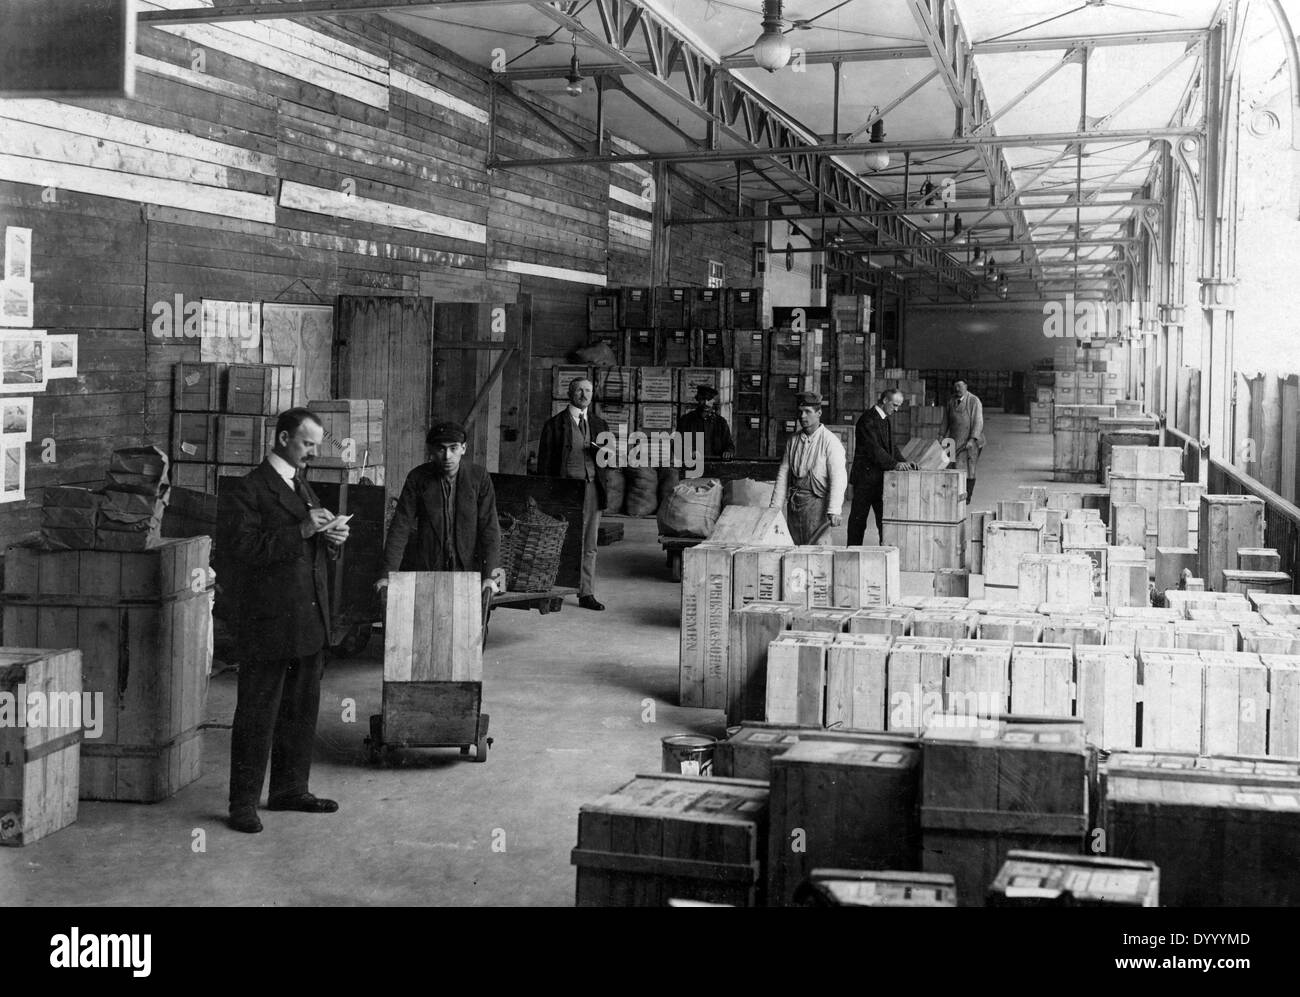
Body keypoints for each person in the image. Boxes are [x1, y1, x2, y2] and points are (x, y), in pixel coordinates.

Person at [216, 407, 350, 835]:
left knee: (300, 711)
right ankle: (242, 804)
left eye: (315, 444)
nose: (313, 451)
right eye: (308, 443)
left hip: (307, 620)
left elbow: (305, 545)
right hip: (268, 623)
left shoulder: (299, 483)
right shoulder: (248, 489)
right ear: (282, 438)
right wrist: (304, 532)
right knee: (258, 713)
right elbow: (239, 552)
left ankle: (290, 789)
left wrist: (331, 538)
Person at [375, 421, 506, 596]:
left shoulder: (479, 477)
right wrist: (387, 575)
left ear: (464, 448)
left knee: (472, 622)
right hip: (429, 568)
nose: (447, 456)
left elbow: (490, 529)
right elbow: (400, 527)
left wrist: (491, 577)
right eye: (441, 449)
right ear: (431, 451)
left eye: (454, 448)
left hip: (469, 571)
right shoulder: (417, 478)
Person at [536, 377, 609, 610]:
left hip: (592, 489)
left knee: (590, 544)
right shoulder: (555, 425)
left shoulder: (600, 424)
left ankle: (586, 593)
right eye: (579, 390)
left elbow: (608, 460)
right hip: (565, 491)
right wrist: (547, 496)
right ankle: (558, 590)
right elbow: (545, 464)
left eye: (587, 390)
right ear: (570, 393)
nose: (584, 395)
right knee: (562, 541)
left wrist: (603, 453)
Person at [770, 391, 847, 545]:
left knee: (818, 552)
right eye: (800, 412)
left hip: (818, 506)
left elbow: (839, 478)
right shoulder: (793, 440)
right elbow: (783, 475)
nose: (802, 416)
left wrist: (834, 510)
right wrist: (774, 509)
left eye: (808, 412)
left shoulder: (830, 442)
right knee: (794, 549)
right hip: (795, 505)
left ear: (819, 413)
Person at [848, 388, 918, 546]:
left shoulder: (885, 419)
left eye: (899, 406)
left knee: (884, 521)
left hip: (880, 480)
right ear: (885, 401)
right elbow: (874, 449)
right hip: (864, 480)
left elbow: (891, 447)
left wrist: (905, 462)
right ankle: (851, 552)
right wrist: (895, 464)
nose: (897, 409)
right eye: (895, 405)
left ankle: (886, 553)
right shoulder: (867, 419)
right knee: (858, 521)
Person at [940, 379, 985, 502]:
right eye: (955, 387)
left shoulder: (974, 401)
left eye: (960, 386)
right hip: (954, 439)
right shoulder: (951, 401)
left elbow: (978, 421)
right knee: (953, 465)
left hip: (971, 440)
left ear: (966, 386)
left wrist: (972, 439)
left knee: (969, 468)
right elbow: (946, 420)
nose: (958, 389)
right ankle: (956, 494)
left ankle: (967, 497)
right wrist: (941, 435)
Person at [676, 384, 734, 459]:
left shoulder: (721, 422)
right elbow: (676, 445)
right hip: (691, 466)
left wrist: (728, 451)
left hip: (716, 466)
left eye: (709, 399)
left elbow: (729, 445)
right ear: (697, 399)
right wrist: (688, 452)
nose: (706, 403)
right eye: (703, 399)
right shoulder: (686, 420)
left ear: (713, 401)